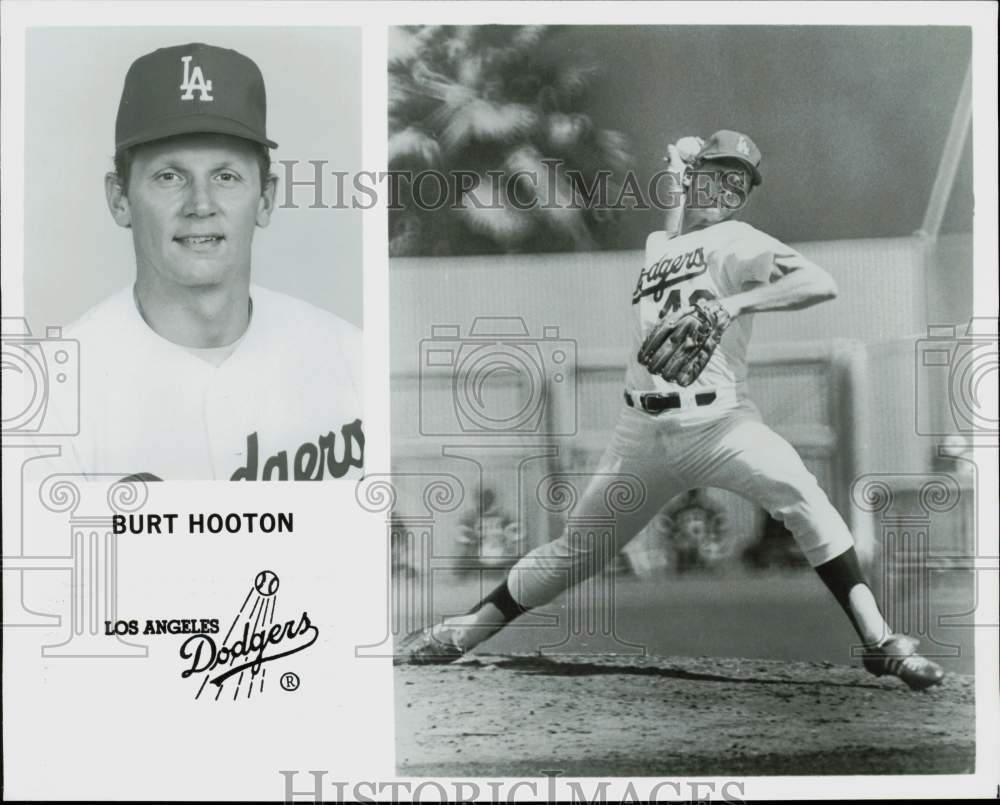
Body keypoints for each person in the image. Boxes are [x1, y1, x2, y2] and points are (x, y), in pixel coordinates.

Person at [399, 129, 944, 690]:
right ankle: (458, 634)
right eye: (718, 175)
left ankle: (879, 641)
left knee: (803, 497)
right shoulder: (660, 246)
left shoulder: (738, 239)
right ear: (696, 178)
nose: (726, 190)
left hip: (721, 426)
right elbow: (676, 223)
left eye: (739, 184)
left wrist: (730, 305)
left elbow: (819, 282)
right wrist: (680, 171)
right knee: (576, 551)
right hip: (640, 434)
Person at [47, 43, 363, 480]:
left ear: (266, 199)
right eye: (169, 176)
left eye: (226, 177)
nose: (200, 205)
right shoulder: (50, 395)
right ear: (120, 199)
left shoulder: (352, 359)